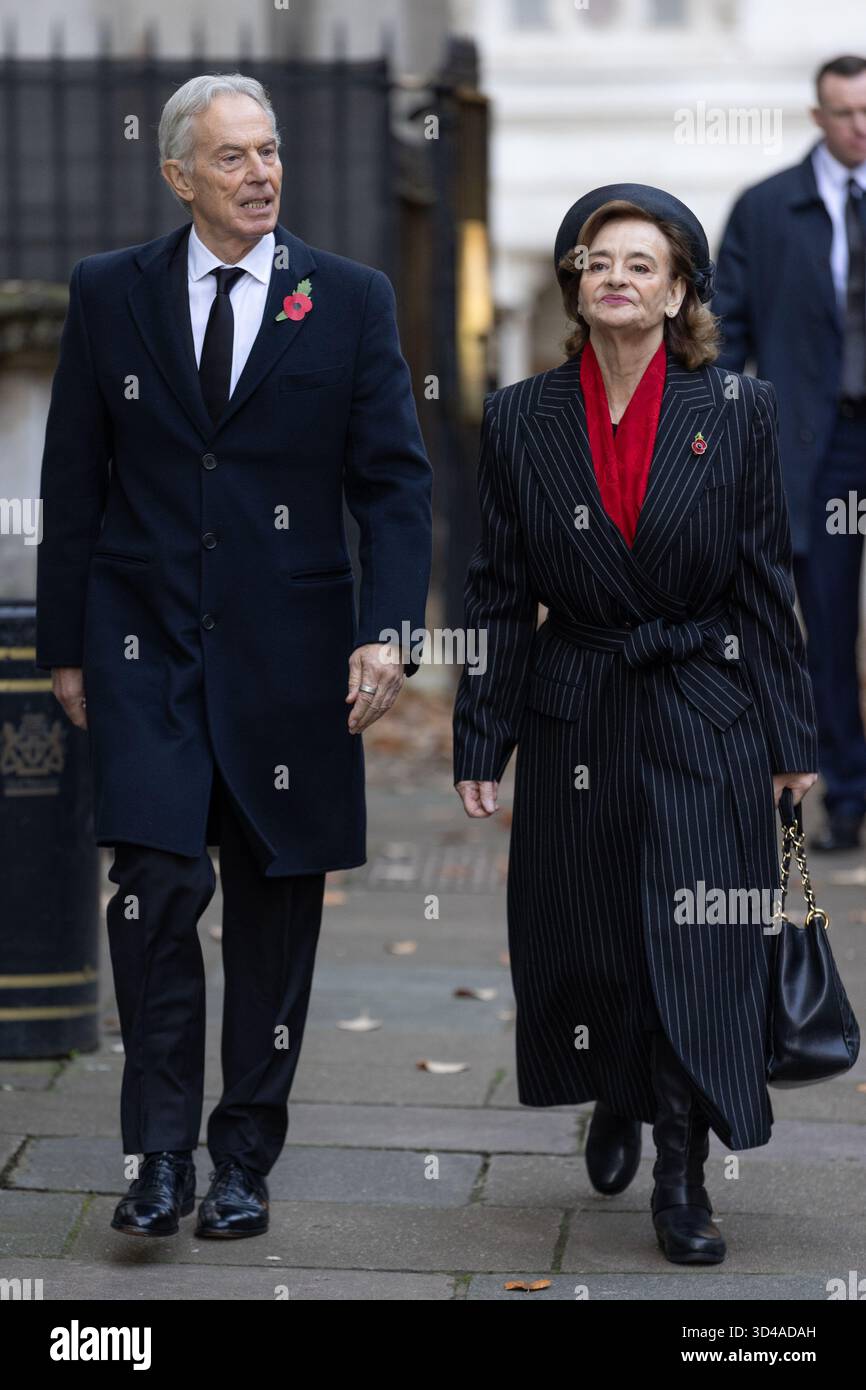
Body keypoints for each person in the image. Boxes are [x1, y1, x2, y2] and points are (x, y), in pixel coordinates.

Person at [35, 72, 432, 1239]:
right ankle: (155, 1155)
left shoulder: (348, 299)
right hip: (141, 645)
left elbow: (394, 484)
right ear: (176, 175)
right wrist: (69, 644)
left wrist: (387, 626)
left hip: (292, 658)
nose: (259, 174)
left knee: (273, 907)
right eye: (231, 158)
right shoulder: (110, 293)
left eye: (267, 152)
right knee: (154, 899)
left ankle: (244, 1155)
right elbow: (74, 478)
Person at [452, 183, 818, 1266]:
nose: (615, 276)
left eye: (638, 264)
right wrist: (483, 733)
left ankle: (679, 1170)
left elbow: (764, 586)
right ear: (574, 282)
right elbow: (492, 589)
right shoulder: (522, 416)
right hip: (578, 705)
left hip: (703, 705)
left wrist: (789, 744)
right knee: (594, 939)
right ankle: (612, 1085)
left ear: (676, 292)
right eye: (595, 260)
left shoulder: (735, 411)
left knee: (696, 947)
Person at [713, 53, 866, 851]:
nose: (861, 127)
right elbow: (725, 331)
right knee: (827, 628)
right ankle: (845, 795)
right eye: (846, 113)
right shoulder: (769, 209)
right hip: (820, 445)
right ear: (818, 116)